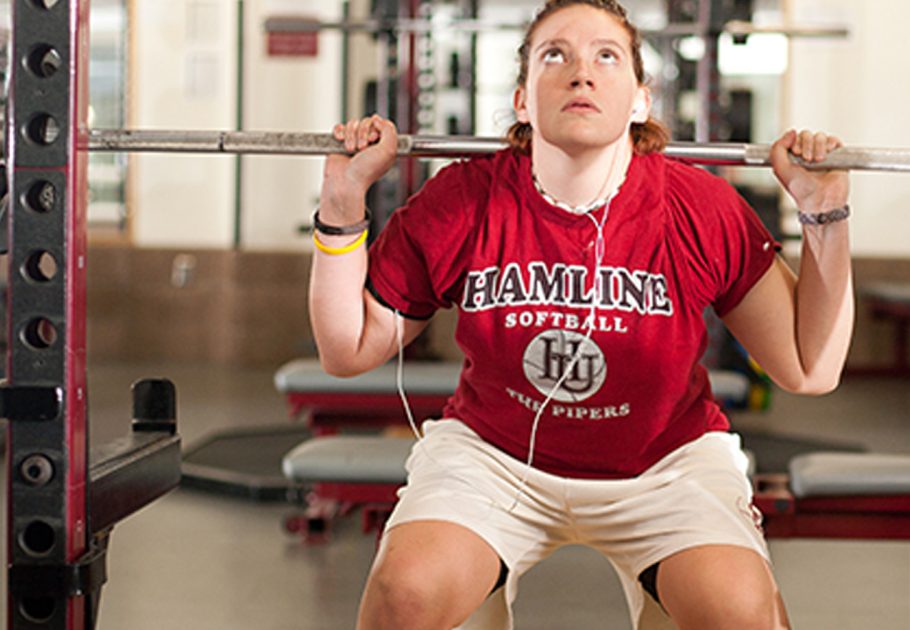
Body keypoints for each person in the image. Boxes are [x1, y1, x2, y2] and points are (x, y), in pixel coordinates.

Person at [309, 0, 852, 627]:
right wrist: (343, 200)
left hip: (664, 465)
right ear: (522, 99)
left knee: (744, 616)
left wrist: (825, 218)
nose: (581, 73)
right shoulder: (462, 200)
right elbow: (347, 349)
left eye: (606, 56)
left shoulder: (697, 206)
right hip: (495, 458)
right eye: (555, 55)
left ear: (641, 100)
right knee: (402, 599)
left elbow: (811, 367)